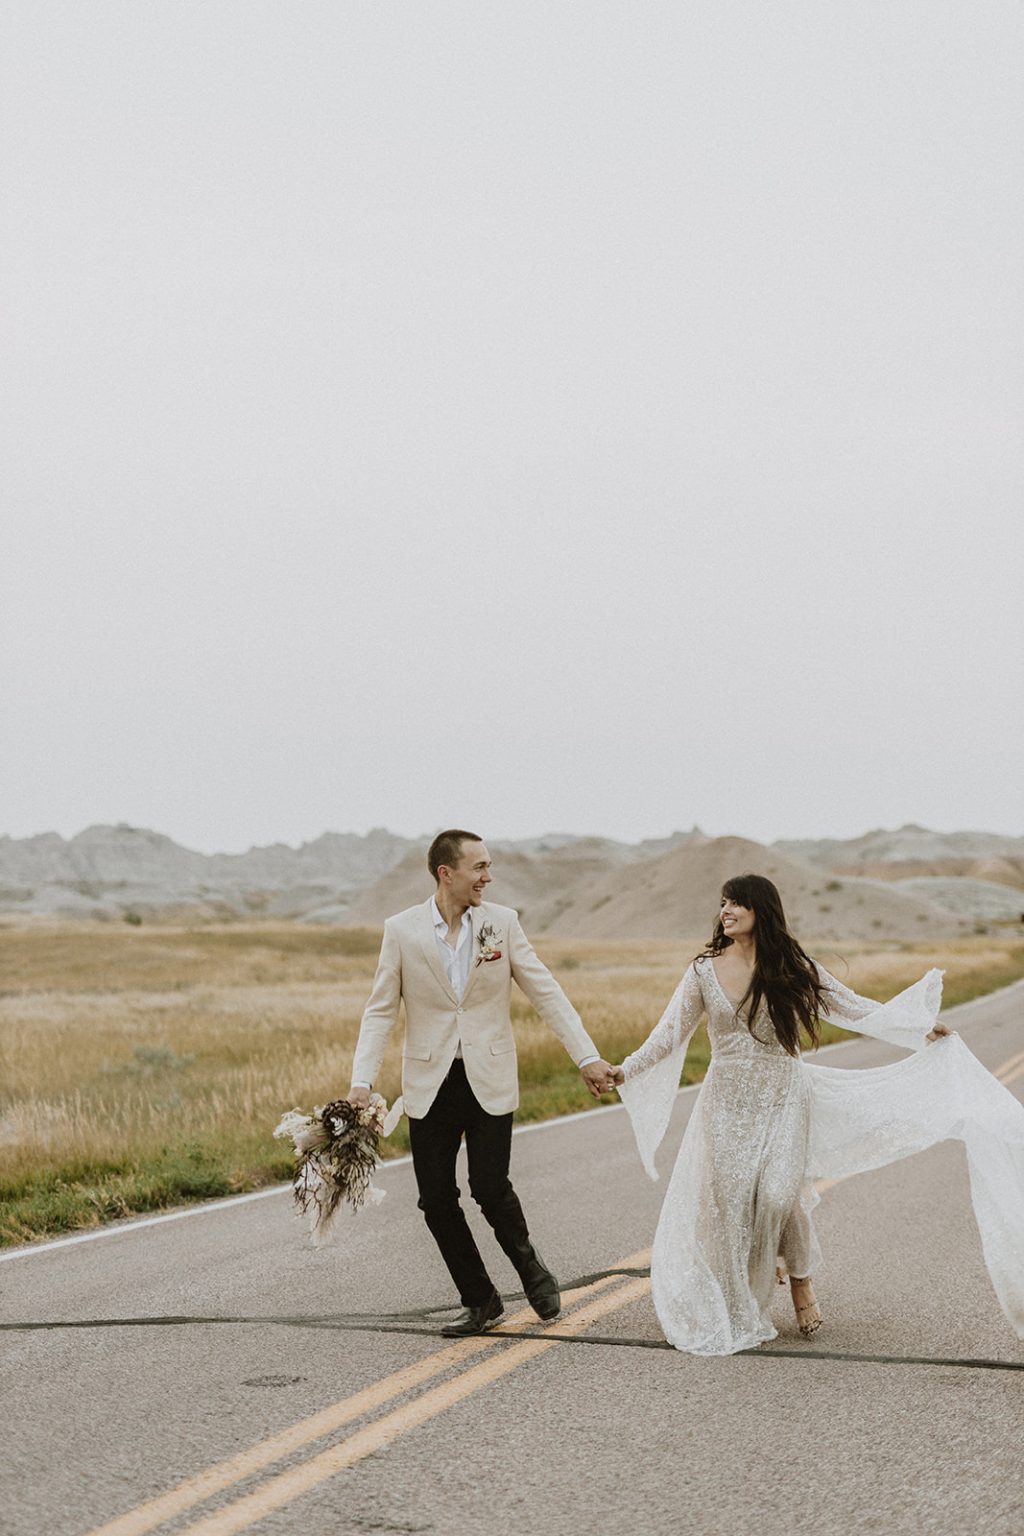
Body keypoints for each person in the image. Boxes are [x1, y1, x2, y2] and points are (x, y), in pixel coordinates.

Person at [611, 873, 1024, 1356]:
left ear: (760, 910)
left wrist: (919, 1024)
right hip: (725, 1100)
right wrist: (623, 1071)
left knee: (779, 1193)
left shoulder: (790, 963)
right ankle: (743, 1301)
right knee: (730, 1203)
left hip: (785, 1092)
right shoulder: (703, 971)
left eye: (736, 904)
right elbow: (668, 1034)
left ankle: (800, 1279)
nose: (725, 911)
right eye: (722, 903)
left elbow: (848, 1005)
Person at [347, 829, 616, 1336]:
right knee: (435, 1199)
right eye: (479, 868)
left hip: (488, 1074)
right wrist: (361, 1081)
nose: (488, 877)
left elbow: (547, 993)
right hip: (430, 1081)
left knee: (490, 1188)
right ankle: (480, 1298)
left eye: (489, 867)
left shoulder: (502, 924)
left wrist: (587, 1057)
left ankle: (531, 1268)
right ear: (446, 873)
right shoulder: (401, 930)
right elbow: (380, 1010)